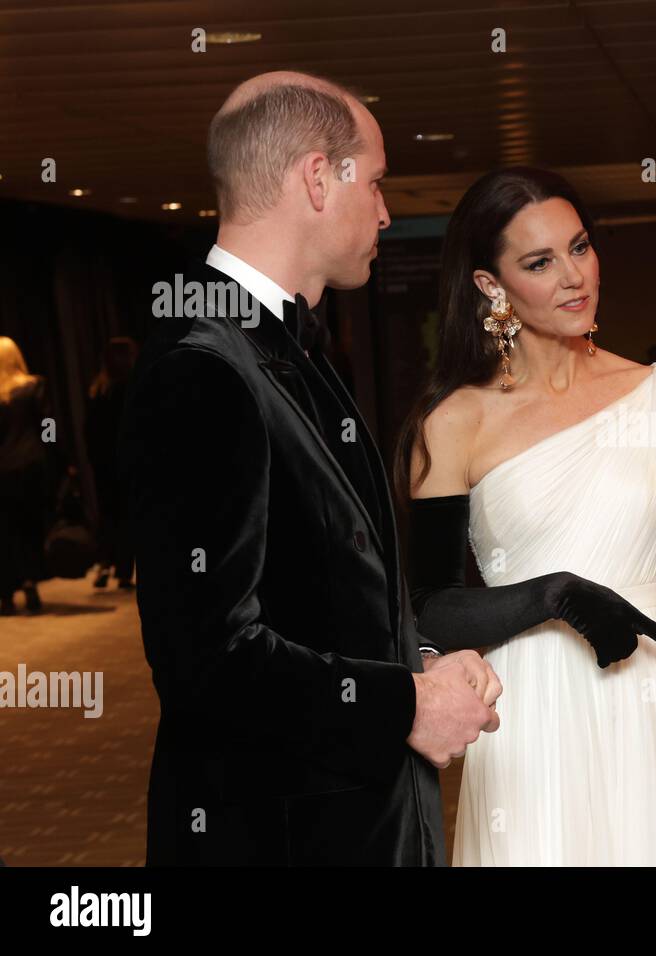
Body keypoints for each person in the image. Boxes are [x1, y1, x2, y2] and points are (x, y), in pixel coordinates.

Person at [120, 71, 500, 866]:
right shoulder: (204, 366)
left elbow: (310, 597)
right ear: (319, 179)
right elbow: (209, 664)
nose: (386, 211)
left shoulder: (279, 347)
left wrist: (416, 662)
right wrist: (404, 703)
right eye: (380, 181)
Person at [395, 167, 656, 866]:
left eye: (580, 247)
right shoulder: (454, 424)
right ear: (489, 286)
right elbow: (427, 609)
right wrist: (550, 595)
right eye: (540, 262)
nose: (573, 276)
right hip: (529, 724)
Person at [0, 335, 52, 615]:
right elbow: (47, 425)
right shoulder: (34, 387)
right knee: (30, 526)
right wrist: (55, 453)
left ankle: (6, 593)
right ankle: (31, 580)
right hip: (31, 465)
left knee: (4, 532)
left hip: (1, 471)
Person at [85, 336, 138, 590]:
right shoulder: (132, 387)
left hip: (102, 463)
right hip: (128, 460)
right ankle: (125, 571)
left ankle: (106, 563)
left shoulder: (98, 389)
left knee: (109, 515)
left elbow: (89, 431)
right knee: (129, 515)